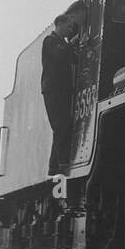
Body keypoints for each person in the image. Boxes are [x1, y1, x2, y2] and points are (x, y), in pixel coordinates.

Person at [42, 12, 78, 175]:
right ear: (59, 24)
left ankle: (55, 166)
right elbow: (59, 55)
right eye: (69, 26)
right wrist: (72, 44)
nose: (70, 30)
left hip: (61, 90)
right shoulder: (50, 41)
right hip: (54, 89)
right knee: (61, 125)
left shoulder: (61, 43)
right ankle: (62, 164)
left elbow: (73, 59)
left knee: (63, 125)